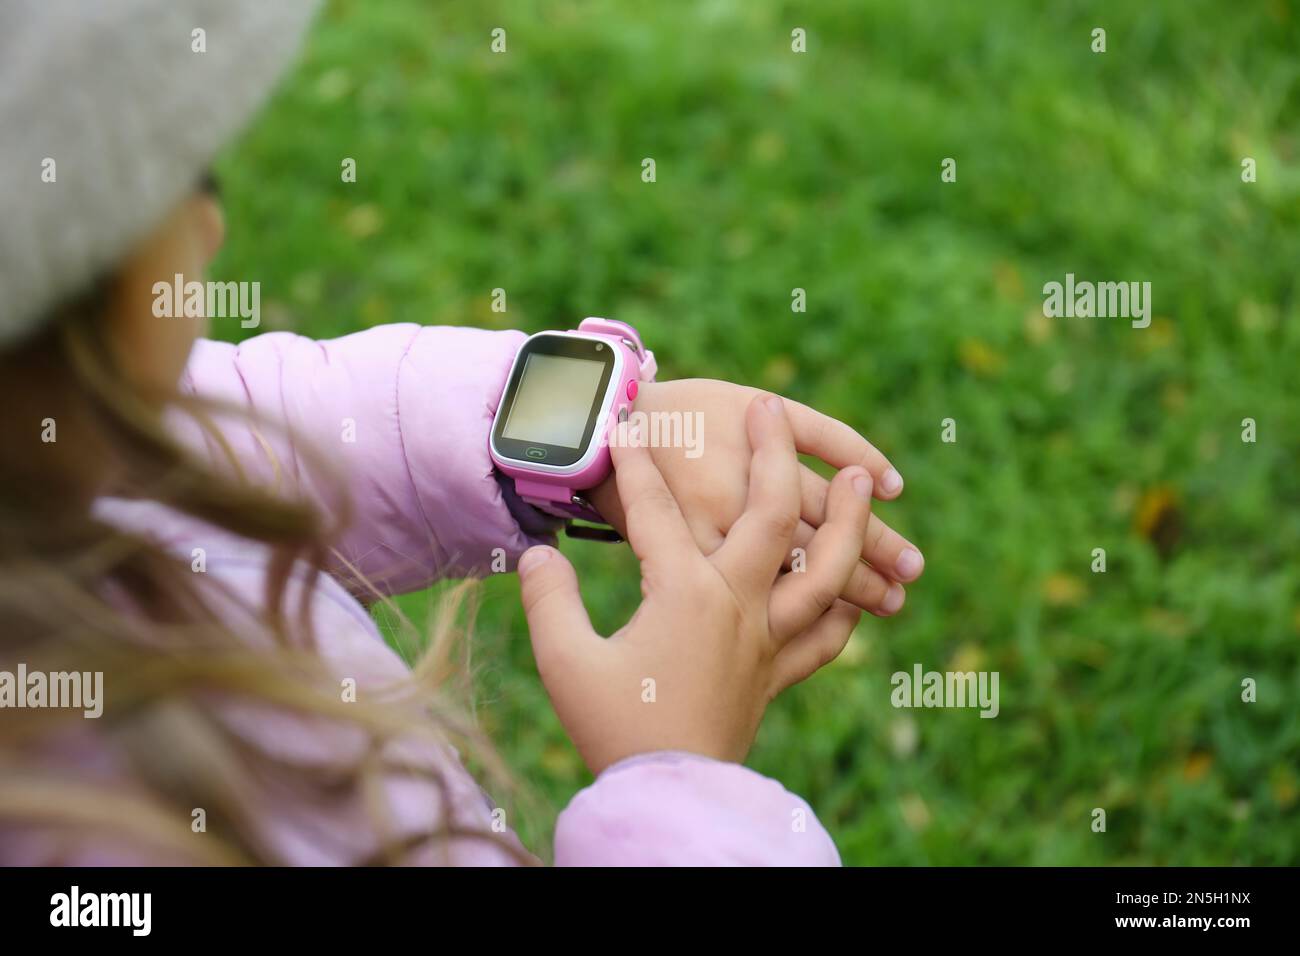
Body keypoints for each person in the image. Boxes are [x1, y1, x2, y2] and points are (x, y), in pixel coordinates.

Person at [0, 0, 923, 865]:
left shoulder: (73, 456)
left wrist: (593, 435)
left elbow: (270, 424)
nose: (211, 218)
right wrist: (679, 779)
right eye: (178, 174)